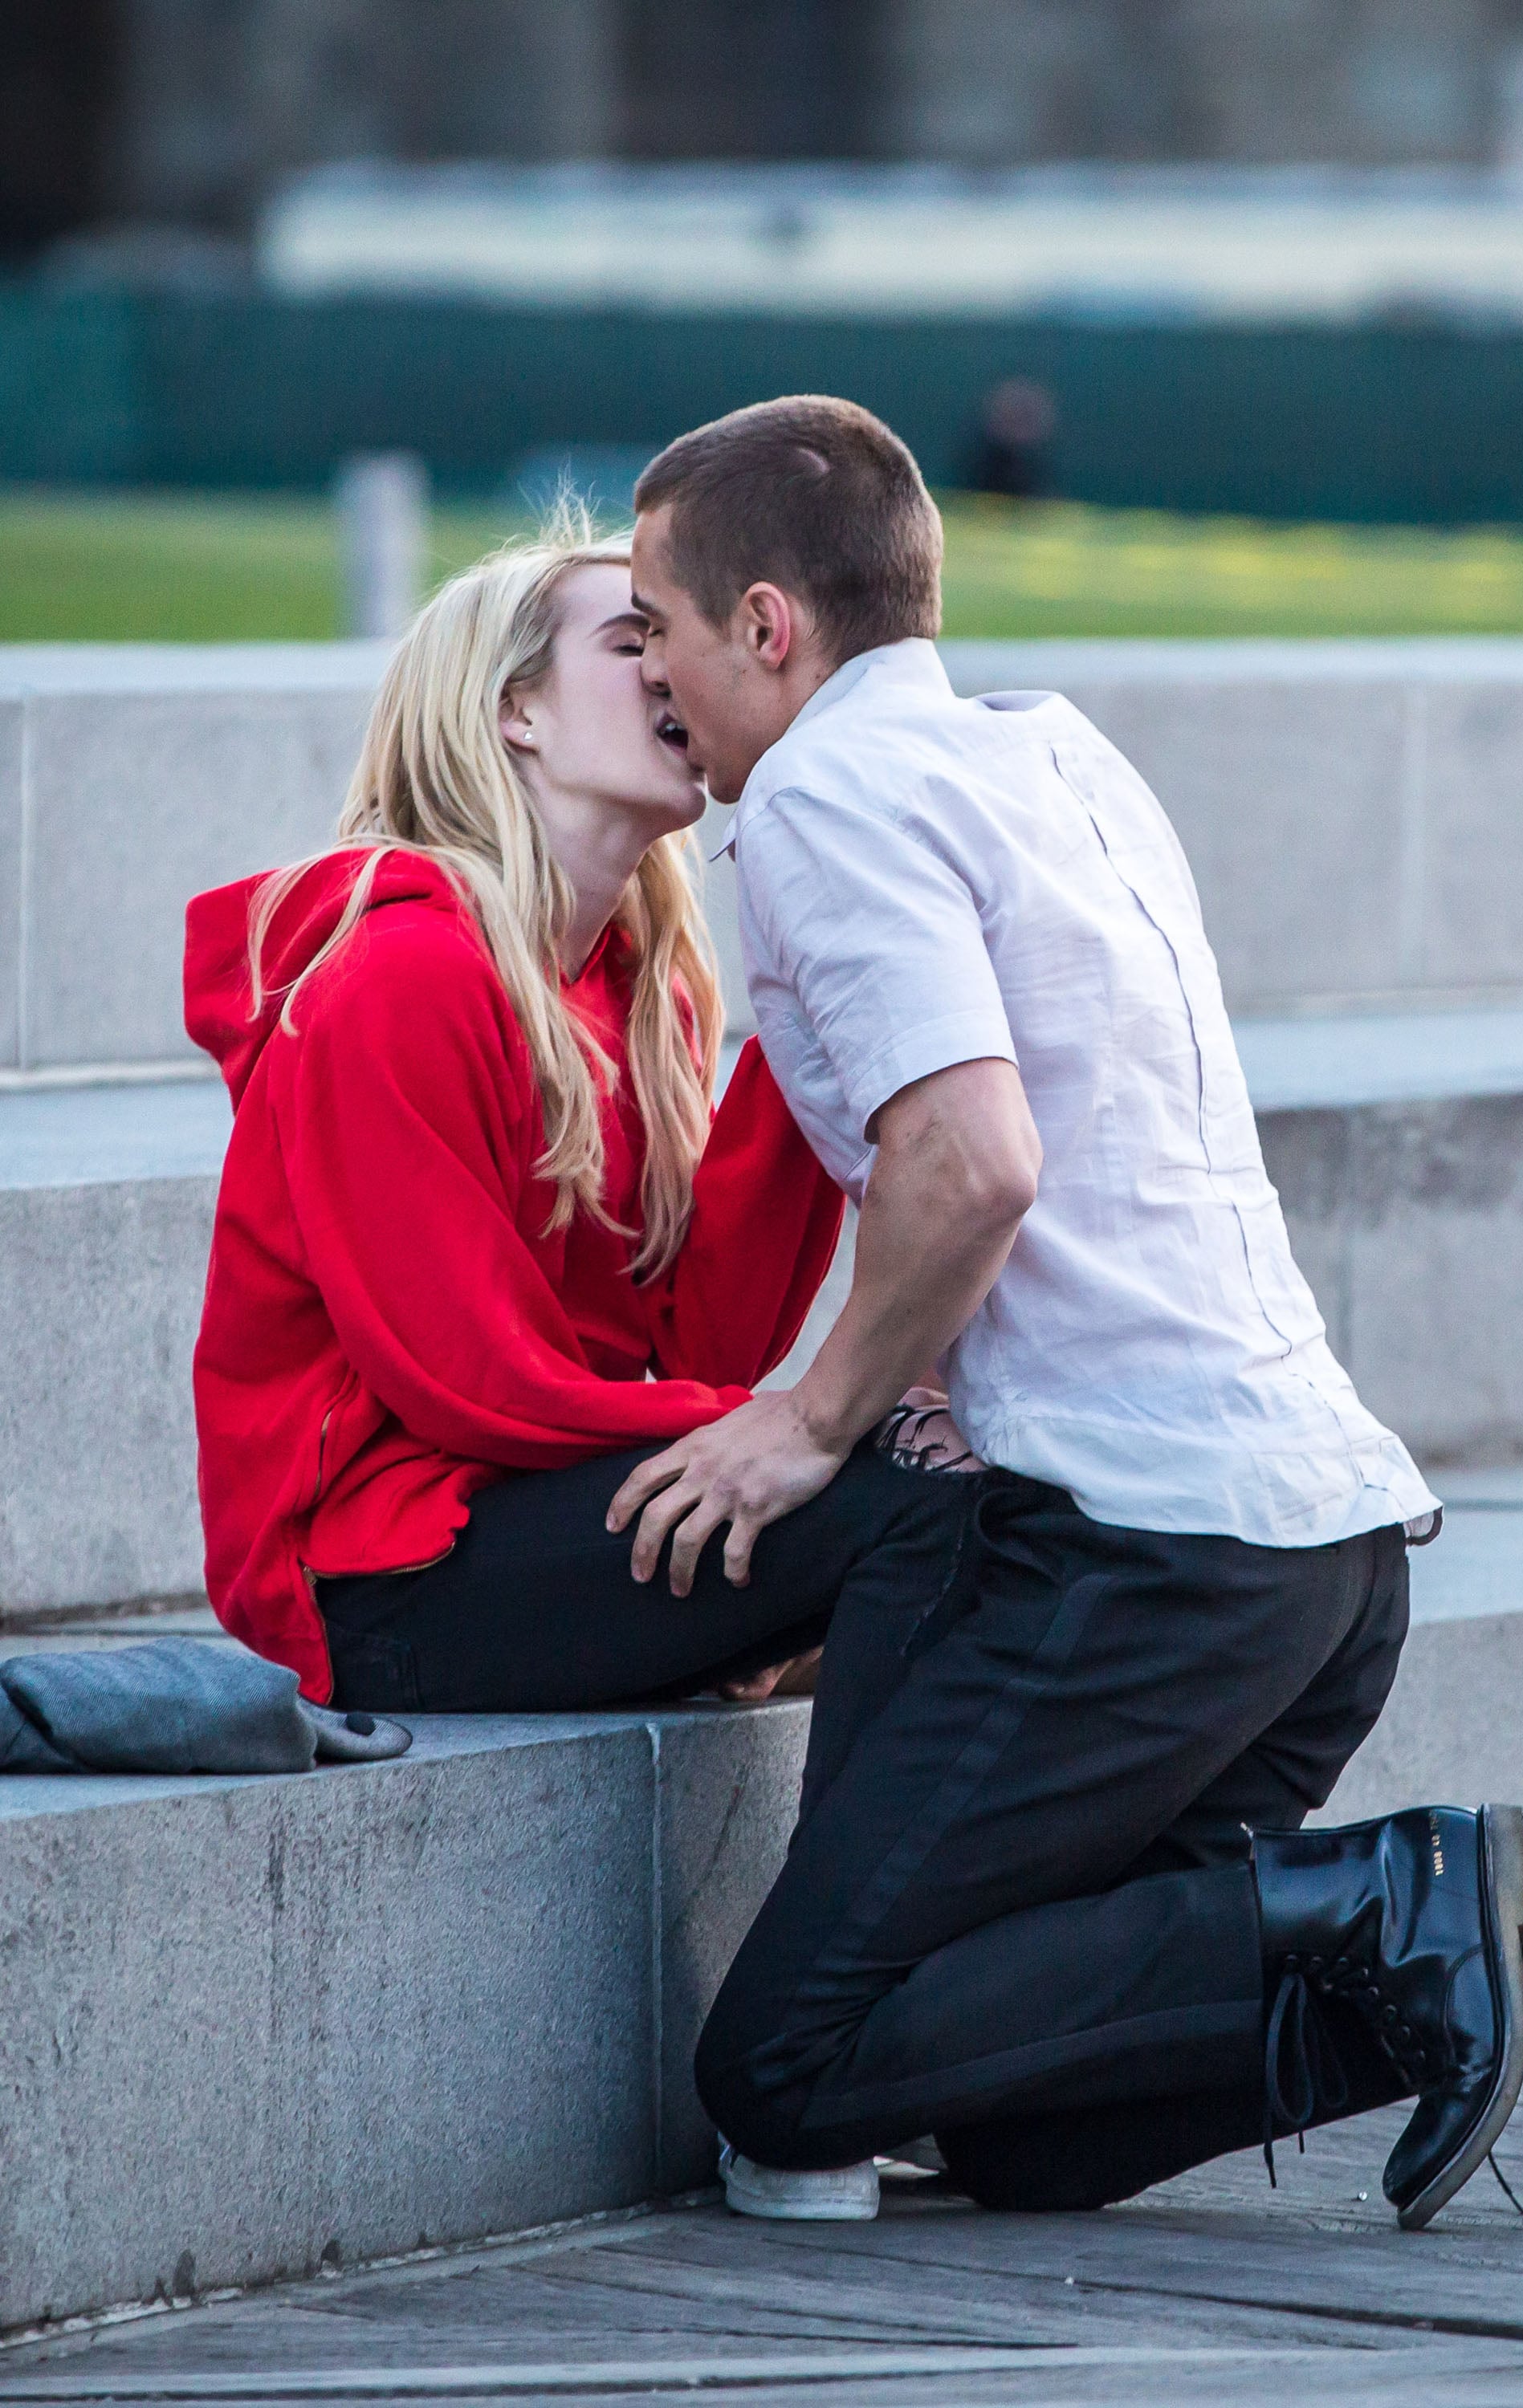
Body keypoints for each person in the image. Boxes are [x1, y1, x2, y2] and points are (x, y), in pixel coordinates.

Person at [616, 395, 1523, 2231]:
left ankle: (1388, 1899)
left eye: (657, 626)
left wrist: (804, 1424)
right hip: (1317, 1552)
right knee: (1023, 2131)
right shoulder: (1050, 751)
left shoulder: (828, 795)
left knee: (788, 2067)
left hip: (1150, 1555)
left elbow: (971, 1162)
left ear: (766, 626)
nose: (649, 674)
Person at [184, 518, 979, 1719]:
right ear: (517, 711)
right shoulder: (396, 976)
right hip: (379, 1570)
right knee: (909, 1485)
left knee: (983, 1466)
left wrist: (822, 1012)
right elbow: (472, 1381)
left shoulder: (637, 994)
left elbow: (706, 1336)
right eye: (630, 640)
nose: (670, 668)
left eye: (669, 637)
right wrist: (805, 1421)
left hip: (549, 1498)